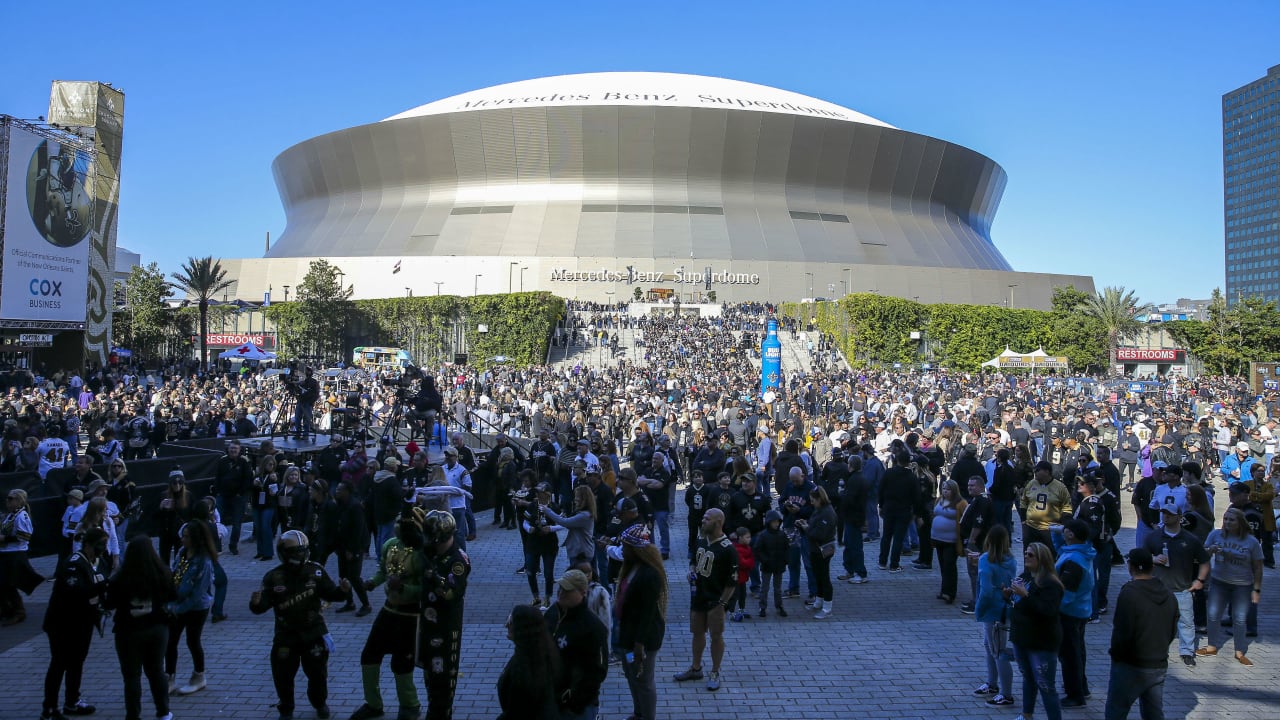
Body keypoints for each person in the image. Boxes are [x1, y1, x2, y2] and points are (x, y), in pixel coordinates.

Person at [250, 530, 352, 720]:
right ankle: (286, 708)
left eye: (302, 551)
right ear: (283, 553)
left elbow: (331, 593)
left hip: (313, 632)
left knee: (318, 674)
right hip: (286, 634)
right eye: (295, 552)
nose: (299, 555)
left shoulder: (316, 571)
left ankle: (320, 702)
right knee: (283, 675)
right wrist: (255, 603)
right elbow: (262, 606)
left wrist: (344, 591)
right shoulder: (273, 577)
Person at [349, 508, 429, 720]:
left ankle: (410, 705)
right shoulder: (389, 545)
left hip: (410, 616)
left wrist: (404, 589)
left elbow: (425, 589)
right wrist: (373, 583)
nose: (395, 525)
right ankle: (373, 704)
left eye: (400, 522)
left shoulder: (424, 555)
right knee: (369, 655)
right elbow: (384, 571)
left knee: (402, 662)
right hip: (388, 610)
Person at [1103, 548, 1179, 720]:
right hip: (1158, 662)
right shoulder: (1168, 594)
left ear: (1131, 567)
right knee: (1153, 713)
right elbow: (1172, 629)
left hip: (1130, 665)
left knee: (1116, 711)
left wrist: (1117, 656)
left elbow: (1122, 631)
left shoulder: (1129, 593)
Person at [42, 526, 109, 719]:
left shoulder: (98, 562)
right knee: (59, 664)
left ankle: (72, 701)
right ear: (87, 545)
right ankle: (49, 708)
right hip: (62, 623)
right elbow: (77, 591)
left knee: (77, 662)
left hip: (84, 621)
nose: (102, 549)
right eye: (99, 545)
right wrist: (99, 588)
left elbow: (103, 586)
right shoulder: (74, 563)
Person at [106, 535, 175, 720]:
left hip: (128, 630)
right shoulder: (162, 573)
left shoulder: (120, 578)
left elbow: (109, 603)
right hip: (156, 628)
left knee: (131, 676)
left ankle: (133, 715)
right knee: (156, 671)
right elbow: (172, 596)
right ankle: (163, 711)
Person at [673, 507, 738, 691]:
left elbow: (732, 583)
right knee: (697, 632)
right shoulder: (701, 539)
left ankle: (715, 672)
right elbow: (693, 561)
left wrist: (722, 604)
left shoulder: (728, 549)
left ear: (718, 522)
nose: (703, 521)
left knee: (716, 636)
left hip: (716, 600)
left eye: (707, 519)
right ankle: (696, 668)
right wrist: (691, 572)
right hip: (698, 596)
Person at [416, 509, 471, 720]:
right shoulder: (431, 551)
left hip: (446, 630)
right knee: (429, 675)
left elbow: (450, 593)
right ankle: (433, 710)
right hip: (428, 626)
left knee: (443, 680)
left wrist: (432, 575)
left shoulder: (457, 561)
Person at [1140, 501, 1209, 666]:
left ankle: (1187, 651)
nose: (1165, 516)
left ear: (1179, 516)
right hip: (1158, 588)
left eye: (1170, 514)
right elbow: (1140, 557)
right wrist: (1153, 559)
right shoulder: (1154, 537)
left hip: (1182, 588)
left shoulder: (1190, 539)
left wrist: (1200, 580)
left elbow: (1204, 561)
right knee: (1155, 621)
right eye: (1164, 513)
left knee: (1186, 622)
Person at [1196, 507, 1264, 666]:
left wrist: (1256, 589)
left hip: (1242, 585)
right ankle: (1212, 646)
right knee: (1212, 615)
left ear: (1240, 522)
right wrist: (1210, 550)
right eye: (1225, 518)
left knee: (1240, 619)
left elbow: (1258, 567)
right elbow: (1202, 554)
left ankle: (1239, 651)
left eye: (1231, 520)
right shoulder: (1215, 535)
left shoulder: (1251, 541)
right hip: (1219, 582)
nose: (1227, 522)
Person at [616, 525, 667, 720]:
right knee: (631, 675)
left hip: (642, 638)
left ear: (636, 549)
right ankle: (638, 712)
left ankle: (648, 716)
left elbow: (646, 614)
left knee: (644, 680)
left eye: (625, 546)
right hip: (628, 634)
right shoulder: (632, 567)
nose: (623, 549)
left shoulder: (650, 575)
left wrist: (639, 644)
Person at [1008, 542, 1064, 720]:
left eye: (1031, 555)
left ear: (1042, 559)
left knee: (1046, 685)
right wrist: (1008, 595)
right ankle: (1026, 715)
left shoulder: (1051, 584)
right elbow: (1018, 606)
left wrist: (1026, 595)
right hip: (1022, 638)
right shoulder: (1026, 576)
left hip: (1041, 642)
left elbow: (1047, 611)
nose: (1026, 556)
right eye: (1025, 553)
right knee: (1028, 679)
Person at [544, 569, 609, 720]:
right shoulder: (553, 613)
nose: (561, 593)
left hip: (577, 708)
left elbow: (597, 671)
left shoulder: (592, 627)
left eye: (567, 590)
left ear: (583, 592)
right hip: (551, 699)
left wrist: (572, 699)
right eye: (560, 588)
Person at [166, 520, 216, 696]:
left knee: (192, 641)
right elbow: (175, 575)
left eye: (186, 537)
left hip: (196, 607)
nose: (182, 539)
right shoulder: (182, 553)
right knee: (171, 641)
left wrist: (178, 609)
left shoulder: (204, 561)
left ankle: (198, 676)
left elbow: (198, 593)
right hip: (178, 603)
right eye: (182, 536)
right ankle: (169, 678)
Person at [1052, 518, 1096, 709]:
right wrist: (1057, 533)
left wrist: (1054, 609)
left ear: (1071, 534)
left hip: (1070, 612)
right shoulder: (1079, 551)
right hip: (1081, 609)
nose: (1062, 531)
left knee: (1070, 655)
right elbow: (1060, 548)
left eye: (1065, 530)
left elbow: (1067, 592)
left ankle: (1075, 695)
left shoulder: (1074, 561)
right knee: (1077, 651)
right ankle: (1081, 686)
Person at [972, 525, 1017, 708]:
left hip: (992, 609)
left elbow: (986, 590)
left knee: (998, 651)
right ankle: (992, 683)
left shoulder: (985, 560)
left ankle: (1006, 693)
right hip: (1005, 607)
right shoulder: (1011, 560)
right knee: (991, 646)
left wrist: (979, 610)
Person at [496, 605, 561, 720]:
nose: (506, 625)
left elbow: (516, 712)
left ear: (523, 628)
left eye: (511, 621)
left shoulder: (524, 668)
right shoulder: (541, 653)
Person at [797, 486, 838, 618]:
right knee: (818, 576)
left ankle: (827, 608)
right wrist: (806, 524)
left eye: (813, 500)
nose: (811, 502)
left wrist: (806, 528)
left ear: (820, 499)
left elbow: (819, 534)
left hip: (823, 550)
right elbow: (814, 526)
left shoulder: (827, 513)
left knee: (824, 577)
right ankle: (819, 601)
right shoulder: (819, 510)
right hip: (816, 549)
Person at [333, 480, 373, 616]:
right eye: (337, 489)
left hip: (355, 546)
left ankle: (366, 604)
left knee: (354, 577)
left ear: (347, 491)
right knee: (343, 575)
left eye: (340, 489)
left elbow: (358, 530)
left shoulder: (355, 506)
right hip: (343, 546)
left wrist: (353, 550)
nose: (337, 491)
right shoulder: (340, 504)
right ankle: (349, 602)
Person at [1, 488, 39, 625]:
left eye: (11, 499)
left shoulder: (22, 516)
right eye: (7, 498)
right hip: (6, 553)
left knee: (7, 584)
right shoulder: (11, 515)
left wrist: (4, 539)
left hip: (15, 554)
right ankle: (7, 609)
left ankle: (18, 612)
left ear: (19, 501)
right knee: (4, 584)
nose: (7, 501)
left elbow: (25, 536)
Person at [929, 479, 968, 605]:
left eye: (948, 489)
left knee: (949, 565)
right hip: (938, 538)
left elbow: (966, 520)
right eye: (944, 488)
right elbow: (934, 514)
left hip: (951, 540)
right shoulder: (939, 500)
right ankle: (944, 590)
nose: (945, 491)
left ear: (954, 490)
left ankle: (950, 593)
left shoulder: (961, 503)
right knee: (942, 565)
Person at [213, 440, 254, 555]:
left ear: (239, 449)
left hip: (238, 497)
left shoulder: (244, 462)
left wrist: (240, 493)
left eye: (235, 448)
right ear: (228, 448)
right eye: (231, 448)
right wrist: (218, 491)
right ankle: (217, 545)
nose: (233, 450)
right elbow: (217, 477)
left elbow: (247, 479)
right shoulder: (222, 460)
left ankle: (233, 545)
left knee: (237, 523)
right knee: (217, 521)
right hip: (223, 495)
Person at [543, 484, 598, 568]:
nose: (575, 499)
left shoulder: (584, 515)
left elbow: (565, 522)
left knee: (578, 578)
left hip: (581, 553)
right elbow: (568, 524)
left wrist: (547, 511)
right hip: (580, 551)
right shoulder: (583, 513)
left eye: (577, 497)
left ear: (583, 499)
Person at [754, 509, 789, 617]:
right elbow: (757, 550)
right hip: (767, 565)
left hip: (778, 565)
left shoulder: (782, 534)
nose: (776, 524)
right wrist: (765, 560)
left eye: (777, 522)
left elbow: (787, 549)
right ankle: (762, 607)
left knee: (777, 588)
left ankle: (779, 606)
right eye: (774, 522)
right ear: (769, 522)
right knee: (765, 588)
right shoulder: (763, 535)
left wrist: (785, 560)